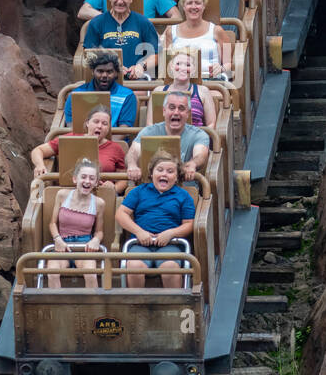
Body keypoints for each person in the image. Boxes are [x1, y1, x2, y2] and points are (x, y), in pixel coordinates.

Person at [117, 151, 196, 289]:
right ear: (151, 173)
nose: (164, 174)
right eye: (160, 170)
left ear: (176, 177)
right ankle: (136, 306)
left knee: (170, 267)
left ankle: (173, 307)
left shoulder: (183, 196)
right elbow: (121, 214)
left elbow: (189, 224)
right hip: (141, 243)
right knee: (134, 266)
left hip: (170, 243)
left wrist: (171, 233)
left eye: (170, 171)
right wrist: (139, 232)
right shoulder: (139, 191)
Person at [31, 106, 130, 193]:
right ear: (87, 123)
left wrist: (114, 188)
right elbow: (38, 150)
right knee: (38, 184)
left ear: (108, 128)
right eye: (96, 122)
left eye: (104, 123)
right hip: (68, 191)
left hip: (100, 194)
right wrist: (40, 165)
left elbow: (123, 179)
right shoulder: (70, 138)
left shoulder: (115, 148)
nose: (99, 126)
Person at [44, 158, 105, 288]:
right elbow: (52, 223)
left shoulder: (99, 203)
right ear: (75, 179)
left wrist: (95, 240)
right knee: (52, 272)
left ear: (95, 182)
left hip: (84, 246)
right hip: (62, 244)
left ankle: (93, 307)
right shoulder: (62, 195)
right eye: (83, 177)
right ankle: (56, 307)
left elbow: (99, 231)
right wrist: (57, 239)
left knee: (90, 273)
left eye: (92, 178)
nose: (87, 181)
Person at [82, 0, 160, 80]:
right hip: (105, 79)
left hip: (136, 79)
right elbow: (88, 54)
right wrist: (111, 66)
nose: (120, 1)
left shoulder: (143, 22)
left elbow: (155, 55)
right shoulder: (97, 22)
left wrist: (141, 66)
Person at [125, 90, 210, 183]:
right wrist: (132, 165)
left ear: (188, 113)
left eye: (181, 108)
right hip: (151, 189)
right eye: (172, 108)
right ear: (164, 111)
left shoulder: (198, 134)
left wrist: (192, 164)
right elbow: (133, 151)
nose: (176, 112)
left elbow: (200, 155)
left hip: (184, 190)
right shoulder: (148, 132)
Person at [162, 0, 236, 81]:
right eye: (189, 3)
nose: (193, 7)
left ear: (203, 6)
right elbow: (166, 65)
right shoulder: (171, 32)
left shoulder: (217, 31)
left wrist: (221, 69)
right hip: (180, 82)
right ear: (183, 6)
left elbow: (228, 63)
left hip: (210, 81)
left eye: (197, 3)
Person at [62, 51, 138, 127]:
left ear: (116, 73)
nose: (105, 75)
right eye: (100, 71)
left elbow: (123, 130)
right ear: (92, 71)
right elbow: (72, 127)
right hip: (83, 138)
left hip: (114, 138)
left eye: (109, 71)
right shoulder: (76, 95)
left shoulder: (127, 96)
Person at [155, 51, 217, 128]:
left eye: (187, 65)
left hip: (196, 138)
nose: (183, 68)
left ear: (194, 69)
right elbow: (150, 124)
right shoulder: (159, 91)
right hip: (165, 138)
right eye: (178, 64)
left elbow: (211, 124)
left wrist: (199, 138)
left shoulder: (203, 91)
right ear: (171, 67)